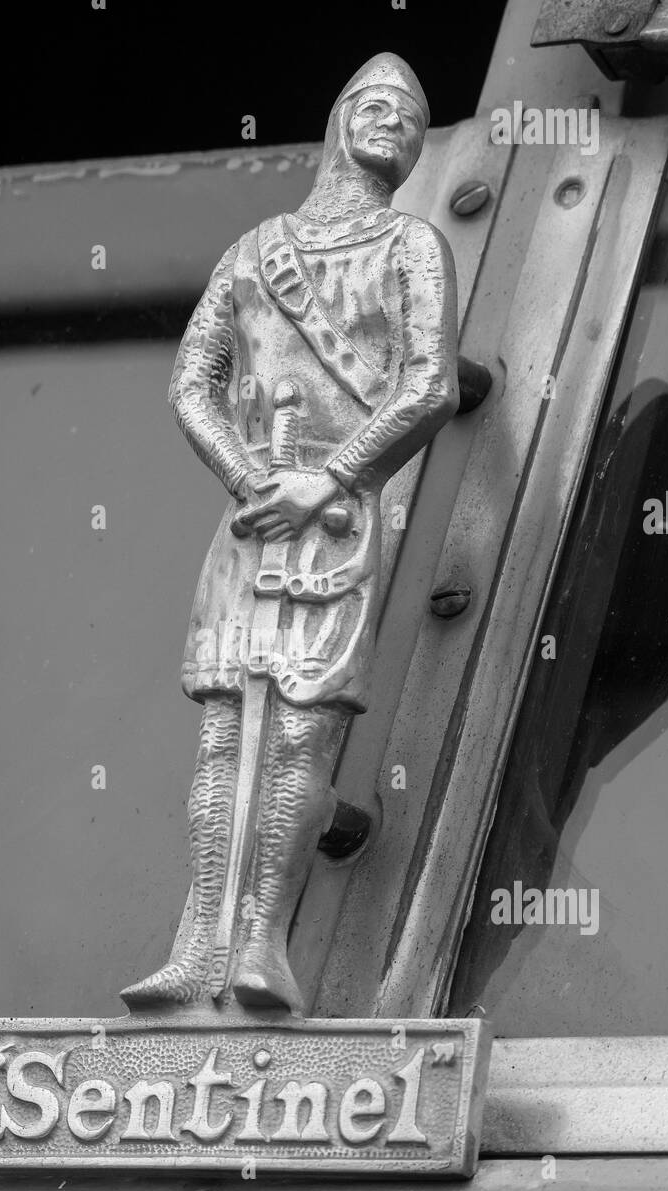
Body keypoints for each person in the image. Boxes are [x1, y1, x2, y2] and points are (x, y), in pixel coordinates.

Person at [122, 53, 459, 1013]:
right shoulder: (252, 249)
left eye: (411, 116)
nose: (393, 122)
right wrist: (247, 477)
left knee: (302, 736)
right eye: (377, 105)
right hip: (252, 514)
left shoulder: (411, 247)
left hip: (342, 517)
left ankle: (261, 944)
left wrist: (332, 478)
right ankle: (198, 948)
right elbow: (194, 382)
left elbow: (428, 384)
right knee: (227, 735)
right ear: (339, 118)